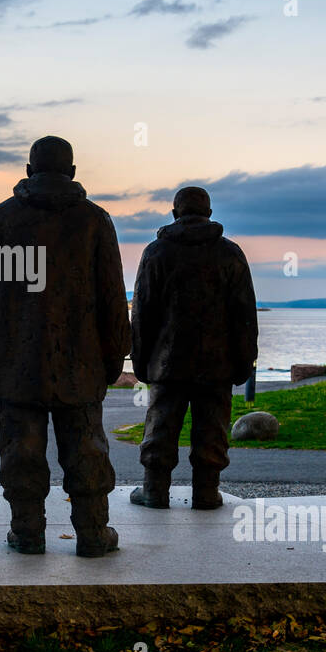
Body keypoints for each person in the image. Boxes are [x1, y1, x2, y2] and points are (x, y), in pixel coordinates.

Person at [0, 136, 131, 557]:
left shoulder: (2, 219)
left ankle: (26, 532)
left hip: (16, 364)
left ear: (28, 170)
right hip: (82, 366)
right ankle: (93, 533)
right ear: (72, 173)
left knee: (20, 453)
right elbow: (114, 301)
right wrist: (108, 365)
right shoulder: (96, 221)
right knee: (87, 450)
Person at [129, 186, 258, 510]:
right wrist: (244, 362)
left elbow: (142, 314)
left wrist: (142, 362)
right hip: (217, 364)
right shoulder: (231, 254)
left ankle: (154, 490)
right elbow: (244, 316)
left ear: (175, 214)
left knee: (160, 426)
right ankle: (206, 491)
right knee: (213, 428)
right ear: (209, 214)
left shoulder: (156, 253)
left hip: (168, 363)